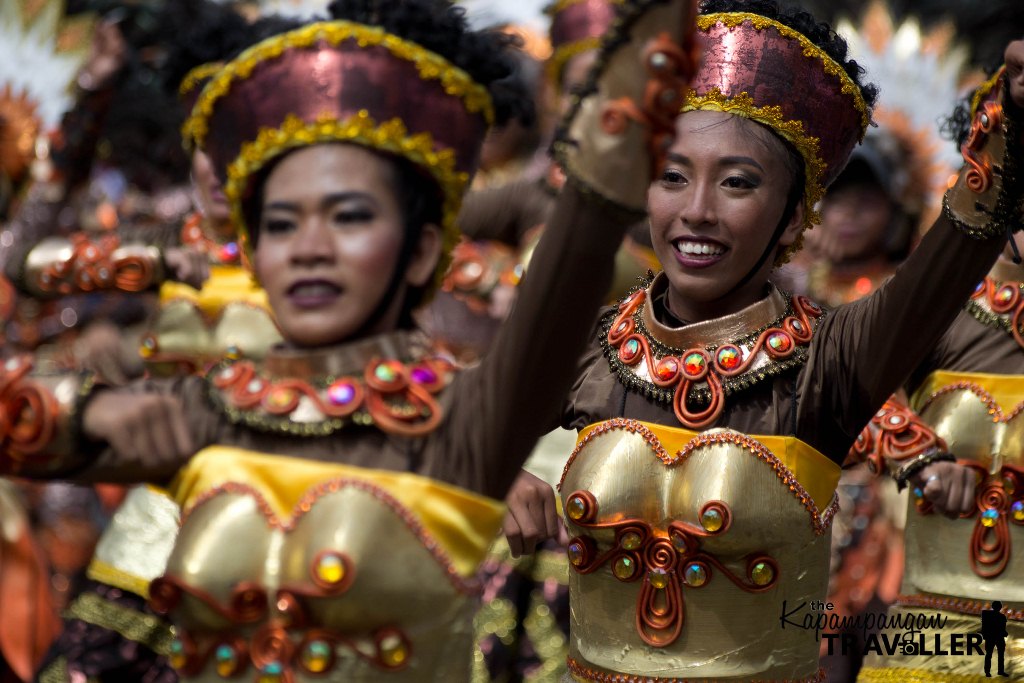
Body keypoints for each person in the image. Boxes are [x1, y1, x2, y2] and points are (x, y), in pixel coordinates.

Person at [0, 0, 698, 679]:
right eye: (279, 224)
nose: (308, 248)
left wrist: (630, 98)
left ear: (424, 251)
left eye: (349, 216)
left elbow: (584, 229)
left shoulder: (467, 427)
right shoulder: (203, 414)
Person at [501, 0, 1024, 680]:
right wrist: (501, 471)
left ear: (792, 219)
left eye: (738, 183)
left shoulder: (832, 361)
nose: (697, 210)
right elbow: (442, 431)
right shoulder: (588, 347)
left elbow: (958, 244)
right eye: (672, 175)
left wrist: (1008, 125)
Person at [982, 601, 1009, 678]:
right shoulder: (1002, 617)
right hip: (998, 637)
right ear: (1000, 607)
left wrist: (985, 635)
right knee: (1000, 655)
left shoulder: (986, 614)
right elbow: (1003, 629)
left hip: (991, 637)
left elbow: (984, 626)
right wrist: (1004, 633)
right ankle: (1000, 671)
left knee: (989, 655)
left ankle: (987, 672)